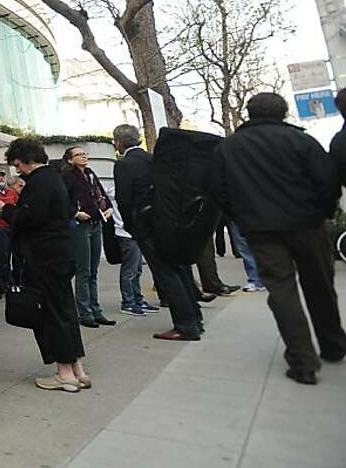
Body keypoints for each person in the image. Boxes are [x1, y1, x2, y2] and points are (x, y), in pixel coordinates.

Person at [210, 92, 346, 385]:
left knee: (282, 290)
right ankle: (333, 345)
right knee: (320, 284)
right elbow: (327, 181)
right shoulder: (302, 141)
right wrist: (323, 212)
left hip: (261, 230)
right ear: (284, 112)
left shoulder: (229, 147)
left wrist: (242, 216)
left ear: (249, 113)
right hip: (308, 225)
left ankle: (303, 361)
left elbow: (219, 190)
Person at [0, 137, 89, 393]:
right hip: (60, 255)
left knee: (51, 314)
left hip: (44, 257)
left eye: (18, 165)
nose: (17, 170)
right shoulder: (54, 178)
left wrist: (6, 209)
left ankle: (65, 374)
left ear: (26, 160)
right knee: (65, 310)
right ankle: (77, 369)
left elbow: (31, 217)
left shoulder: (40, 181)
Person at [112, 124, 205, 342]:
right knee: (180, 269)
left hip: (145, 224)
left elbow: (124, 199)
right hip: (167, 221)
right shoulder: (153, 158)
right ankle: (194, 317)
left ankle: (185, 325)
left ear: (118, 142)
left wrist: (129, 225)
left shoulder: (124, 164)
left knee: (166, 274)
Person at [60, 146, 116, 328]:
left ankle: (95, 310)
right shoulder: (67, 177)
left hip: (96, 223)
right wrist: (75, 214)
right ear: (70, 160)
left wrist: (107, 208)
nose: (84, 156)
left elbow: (101, 195)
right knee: (83, 271)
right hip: (81, 226)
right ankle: (85, 312)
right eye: (79, 155)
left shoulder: (91, 174)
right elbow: (62, 200)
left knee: (93, 270)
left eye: (85, 154)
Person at [103, 178, 159, 317]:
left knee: (137, 268)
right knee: (130, 269)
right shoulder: (116, 189)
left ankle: (137, 298)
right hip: (125, 233)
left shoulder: (123, 187)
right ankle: (128, 302)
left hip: (134, 232)